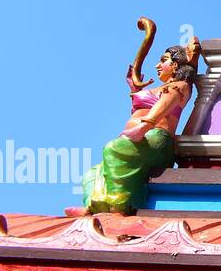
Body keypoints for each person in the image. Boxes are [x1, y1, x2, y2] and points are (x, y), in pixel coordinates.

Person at [72, 36, 200, 215]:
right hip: (140, 140)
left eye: (163, 61)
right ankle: (92, 207)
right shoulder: (159, 88)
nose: (157, 65)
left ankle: (119, 205)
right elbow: (140, 110)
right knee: (94, 172)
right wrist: (134, 89)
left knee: (113, 149)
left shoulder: (180, 86)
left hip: (157, 140)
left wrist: (144, 127)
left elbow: (163, 107)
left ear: (176, 65)